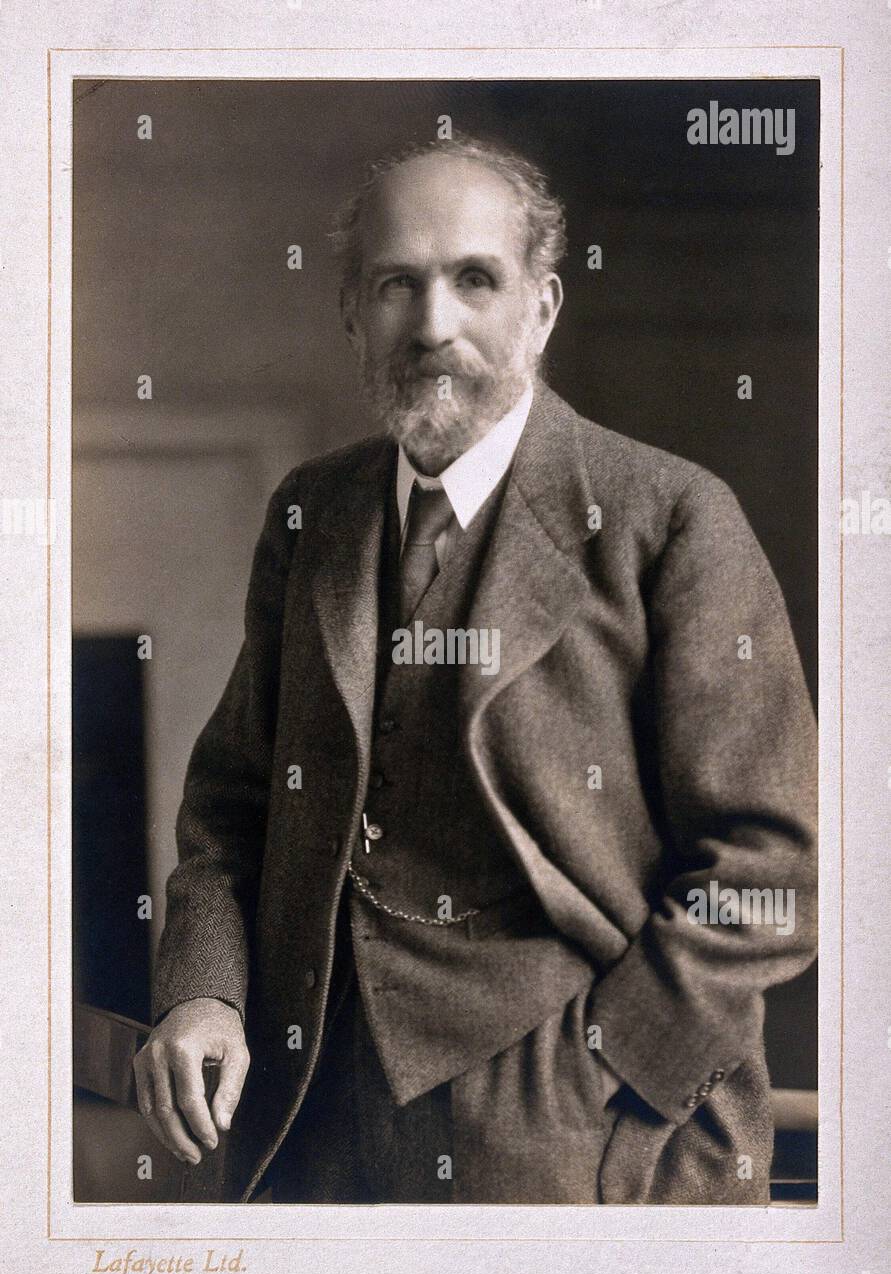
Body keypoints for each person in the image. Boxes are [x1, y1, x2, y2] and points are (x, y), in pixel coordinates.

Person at [135, 133, 817, 1205]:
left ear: (542, 309)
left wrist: (609, 1062)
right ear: (353, 313)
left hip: (576, 1136)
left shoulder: (671, 518)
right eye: (398, 285)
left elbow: (775, 872)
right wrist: (205, 996)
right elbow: (232, 807)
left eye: (473, 280)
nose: (434, 325)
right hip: (314, 1116)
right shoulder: (315, 513)